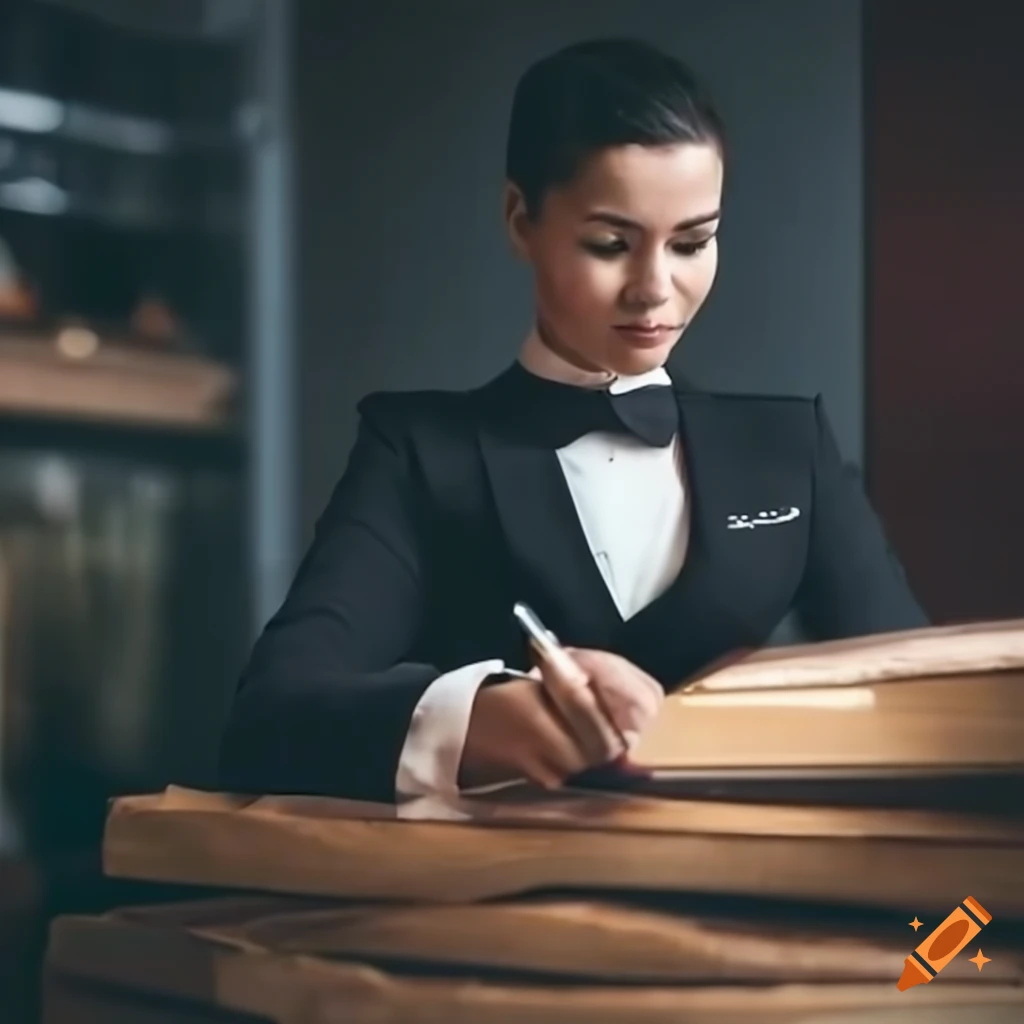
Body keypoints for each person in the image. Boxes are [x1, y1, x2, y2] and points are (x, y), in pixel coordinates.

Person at [220, 38, 928, 804]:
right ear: (520, 219)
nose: (655, 288)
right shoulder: (418, 454)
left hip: (748, 875)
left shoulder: (789, 452)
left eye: (693, 243)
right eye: (610, 244)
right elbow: (268, 721)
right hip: (505, 883)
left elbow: (932, 707)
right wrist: (482, 720)